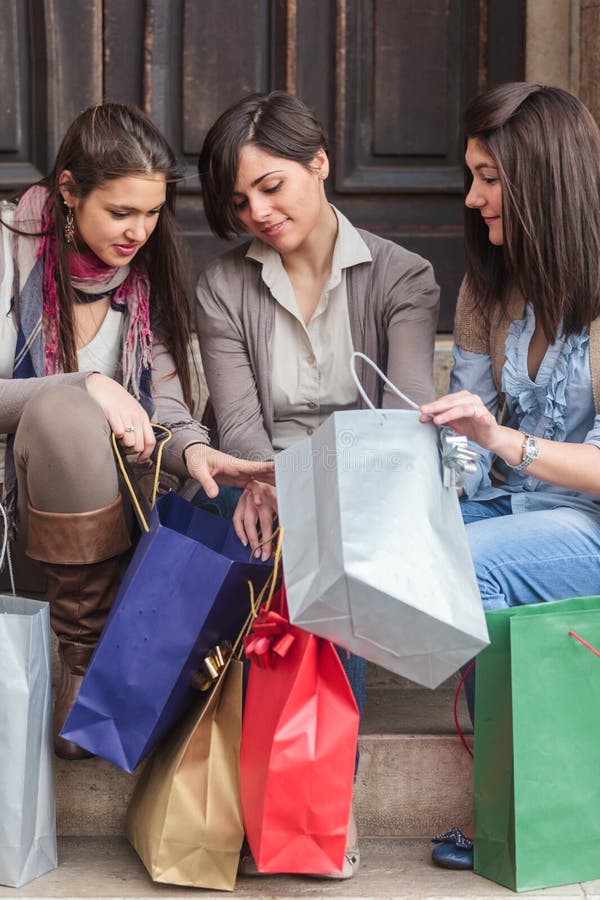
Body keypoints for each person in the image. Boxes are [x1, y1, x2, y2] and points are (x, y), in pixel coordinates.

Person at [195, 90, 440, 878]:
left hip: (366, 477)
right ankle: (269, 797)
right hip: (256, 474)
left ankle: (326, 800)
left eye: (273, 186)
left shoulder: (404, 275)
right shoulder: (223, 286)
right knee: (275, 536)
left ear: (319, 163)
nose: (259, 212)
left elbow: (401, 419)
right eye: (241, 200)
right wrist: (269, 484)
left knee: (337, 543)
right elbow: (236, 423)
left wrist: (321, 495)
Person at [0, 102, 272, 761]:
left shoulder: (142, 278)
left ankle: (103, 667)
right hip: (21, 527)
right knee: (67, 412)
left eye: (151, 213)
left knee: (229, 518)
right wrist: (84, 384)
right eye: (121, 212)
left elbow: (167, 411)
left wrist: (200, 450)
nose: (138, 232)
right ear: (68, 190)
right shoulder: (9, 251)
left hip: (111, 529)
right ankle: (84, 660)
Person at [420, 82, 600, 869]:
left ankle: (523, 797)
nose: (473, 196)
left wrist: (503, 441)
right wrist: (443, 460)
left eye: (489, 176)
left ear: (543, 176)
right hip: (513, 507)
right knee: (425, 540)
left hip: (587, 521)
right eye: (473, 174)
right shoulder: (489, 286)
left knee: (466, 562)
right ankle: (519, 795)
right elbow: (468, 445)